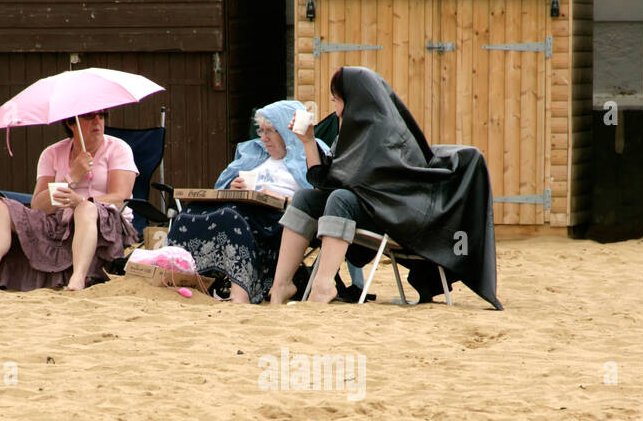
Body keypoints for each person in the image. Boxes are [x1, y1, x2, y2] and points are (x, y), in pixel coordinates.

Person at [269, 66, 502, 310]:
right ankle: (281, 284)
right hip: (363, 208)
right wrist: (308, 141)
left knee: (340, 198)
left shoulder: (386, 133)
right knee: (305, 198)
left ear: (355, 98)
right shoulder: (350, 130)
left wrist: (326, 166)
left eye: (336, 96)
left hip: (392, 214)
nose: (332, 100)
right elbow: (324, 182)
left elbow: (350, 184)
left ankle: (323, 283)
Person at [169, 99, 332, 304]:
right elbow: (222, 187)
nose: (263, 138)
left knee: (231, 217)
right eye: (261, 131)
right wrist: (231, 188)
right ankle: (188, 283)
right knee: (188, 214)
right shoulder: (255, 155)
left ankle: (240, 294)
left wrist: (282, 199)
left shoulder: (309, 158)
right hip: (243, 208)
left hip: (279, 218)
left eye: (270, 131)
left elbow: (318, 201)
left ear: (285, 130)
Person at [0, 110, 139, 291]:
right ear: (70, 123)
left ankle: (78, 278)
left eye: (102, 115)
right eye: (89, 116)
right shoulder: (52, 153)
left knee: (85, 209)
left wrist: (80, 200)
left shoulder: (118, 148)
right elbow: (38, 205)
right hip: (59, 221)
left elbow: (120, 197)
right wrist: (72, 177)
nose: (98, 121)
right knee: (1, 207)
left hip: (105, 221)